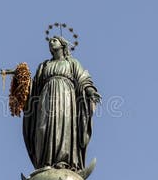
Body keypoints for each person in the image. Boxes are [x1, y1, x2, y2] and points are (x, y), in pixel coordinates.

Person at [22, 36, 100, 171]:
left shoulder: (72, 63)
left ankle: (63, 161)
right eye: (49, 41)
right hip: (46, 97)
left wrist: (90, 91)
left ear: (62, 44)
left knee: (63, 125)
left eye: (54, 40)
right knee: (42, 127)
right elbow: (34, 87)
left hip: (65, 97)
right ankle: (44, 161)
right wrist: (21, 77)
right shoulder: (44, 65)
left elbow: (83, 79)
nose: (51, 42)